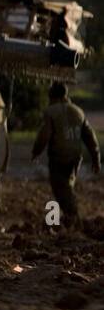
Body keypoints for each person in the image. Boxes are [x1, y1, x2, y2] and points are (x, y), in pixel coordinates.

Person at [31, 81, 101, 228]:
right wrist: (96, 158)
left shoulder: (51, 112)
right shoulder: (78, 111)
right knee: (67, 186)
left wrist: (36, 152)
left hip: (58, 157)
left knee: (60, 188)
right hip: (75, 158)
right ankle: (67, 220)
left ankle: (74, 218)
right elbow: (90, 137)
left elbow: (44, 135)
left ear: (53, 96)